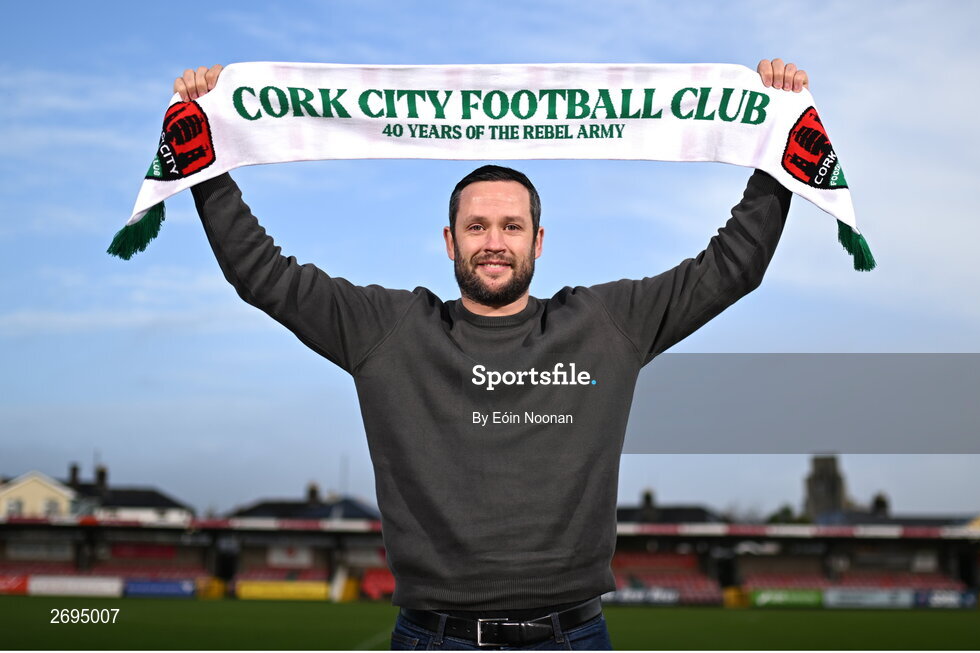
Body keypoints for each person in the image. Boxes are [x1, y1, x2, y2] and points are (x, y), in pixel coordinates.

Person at [178, 59, 808, 650]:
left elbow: (732, 267)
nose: (494, 243)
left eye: (511, 227)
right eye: (476, 227)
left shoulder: (605, 322)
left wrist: (774, 144)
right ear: (450, 241)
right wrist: (210, 156)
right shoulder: (387, 328)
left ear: (538, 240)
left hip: (573, 636)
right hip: (433, 636)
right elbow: (262, 273)